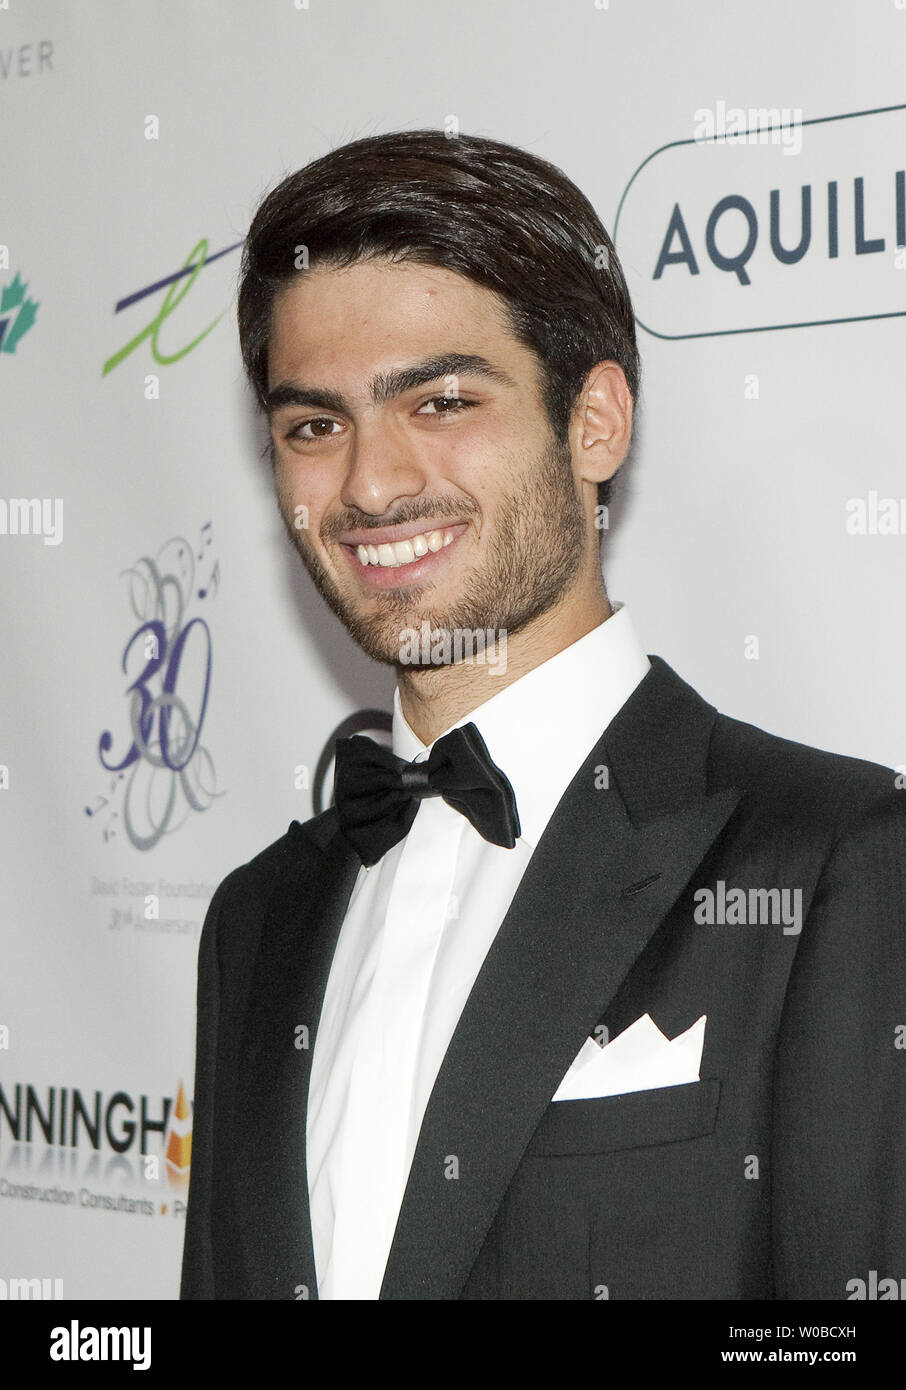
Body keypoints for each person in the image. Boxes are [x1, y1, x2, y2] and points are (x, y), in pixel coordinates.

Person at [180, 129, 905, 1301]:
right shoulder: (256, 919)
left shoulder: (835, 856)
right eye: (315, 425)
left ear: (596, 421)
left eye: (442, 400)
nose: (369, 483)